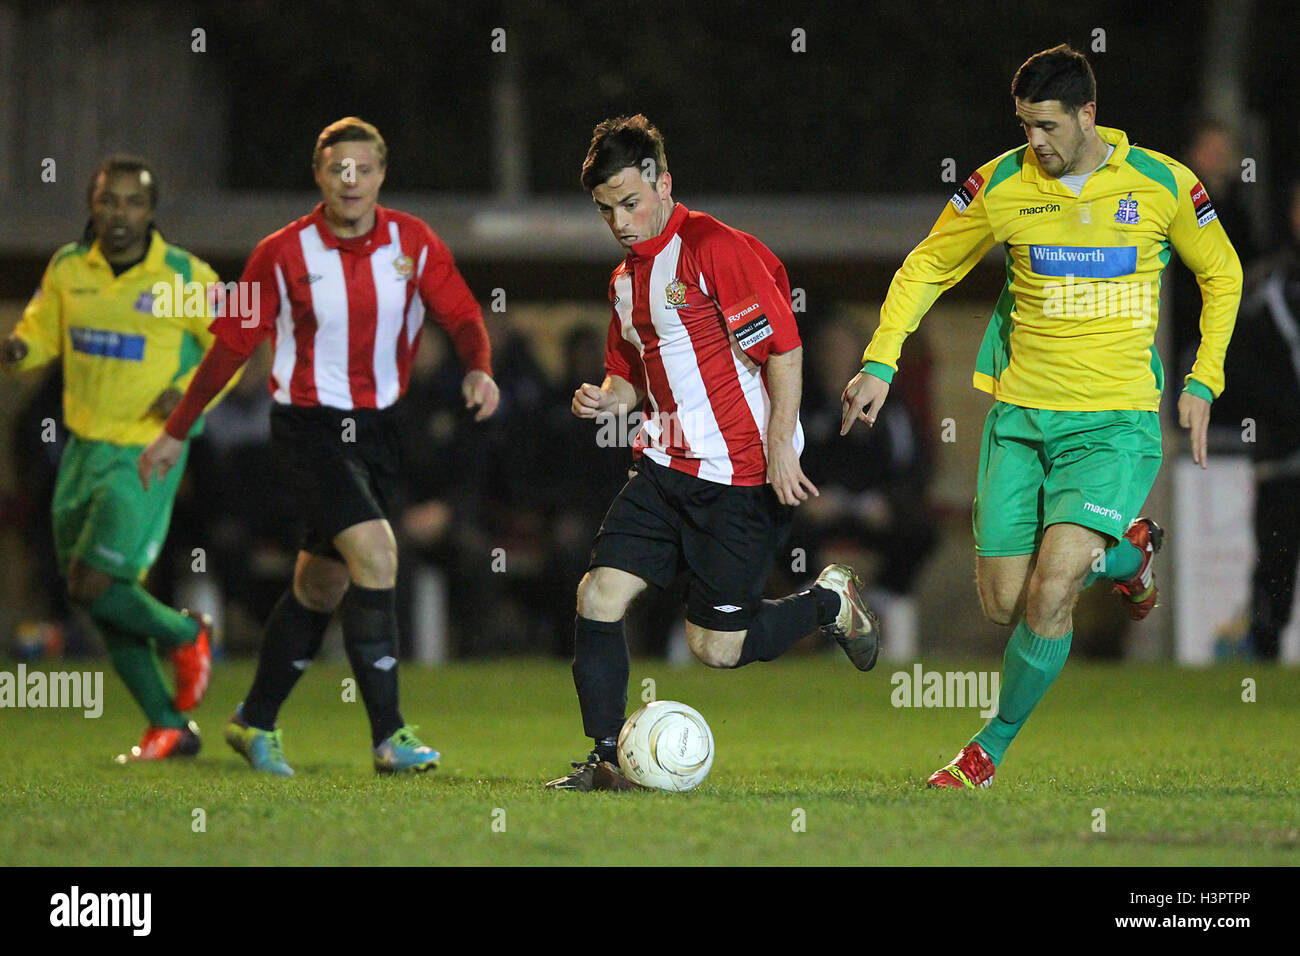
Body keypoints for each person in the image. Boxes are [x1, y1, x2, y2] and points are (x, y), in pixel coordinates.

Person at [841, 45, 1242, 788]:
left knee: (1053, 586)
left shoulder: (1161, 184)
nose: (1037, 143)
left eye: (1049, 126)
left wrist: (1203, 377)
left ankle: (986, 748)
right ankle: (1130, 557)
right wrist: (880, 359)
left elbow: (1222, 272)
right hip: (1021, 421)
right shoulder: (1000, 183)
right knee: (1003, 603)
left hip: (1114, 425)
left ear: (1089, 114)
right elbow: (930, 262)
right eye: (1026, 126)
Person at [138, 117, 500, 776]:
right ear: (319, 175)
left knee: (320, 584)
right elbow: (231, 345)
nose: (351, 181)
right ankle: (389, 736)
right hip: (309, 430)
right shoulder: (279, 252)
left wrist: (478, 365)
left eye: (363, 169)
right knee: (379, 554)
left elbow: (463, 315)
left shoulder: (413, 242)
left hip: (381, 434)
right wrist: (175, 431)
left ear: (381, 175)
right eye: (339, 169)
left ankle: (253, 721)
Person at [546, 115, 880, 792]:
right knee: (598, 595)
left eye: (631, 203)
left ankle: (828, 604)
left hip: (739, 475)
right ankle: (606, 758)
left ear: (663, 184)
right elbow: (629, 373)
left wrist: (781, 444)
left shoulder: (714, 247)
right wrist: (608, 400)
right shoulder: (624, 281)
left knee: (716, 649)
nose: (620, 221)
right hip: (664, 468)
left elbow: (782, 346)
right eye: (606, 210)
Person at [1, 155, 226, 760]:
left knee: (97, 582)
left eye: (132, 203)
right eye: (109, 201)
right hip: (82, 448)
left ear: (151, 212)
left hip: (146, 449)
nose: (119, 214)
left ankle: (187, 633)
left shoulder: (184, 274)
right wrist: (19, 348)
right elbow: (43, 330)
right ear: (91, 205)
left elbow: (234, 342)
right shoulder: (70, 268)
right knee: (89, 590)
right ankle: (168, 725)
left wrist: (192, 394)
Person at [1219, 178, 1300, 660]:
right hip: (1281, 459)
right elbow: (1243, 370)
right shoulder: (1267, 285)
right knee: (1275, 565)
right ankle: (1262, 658)